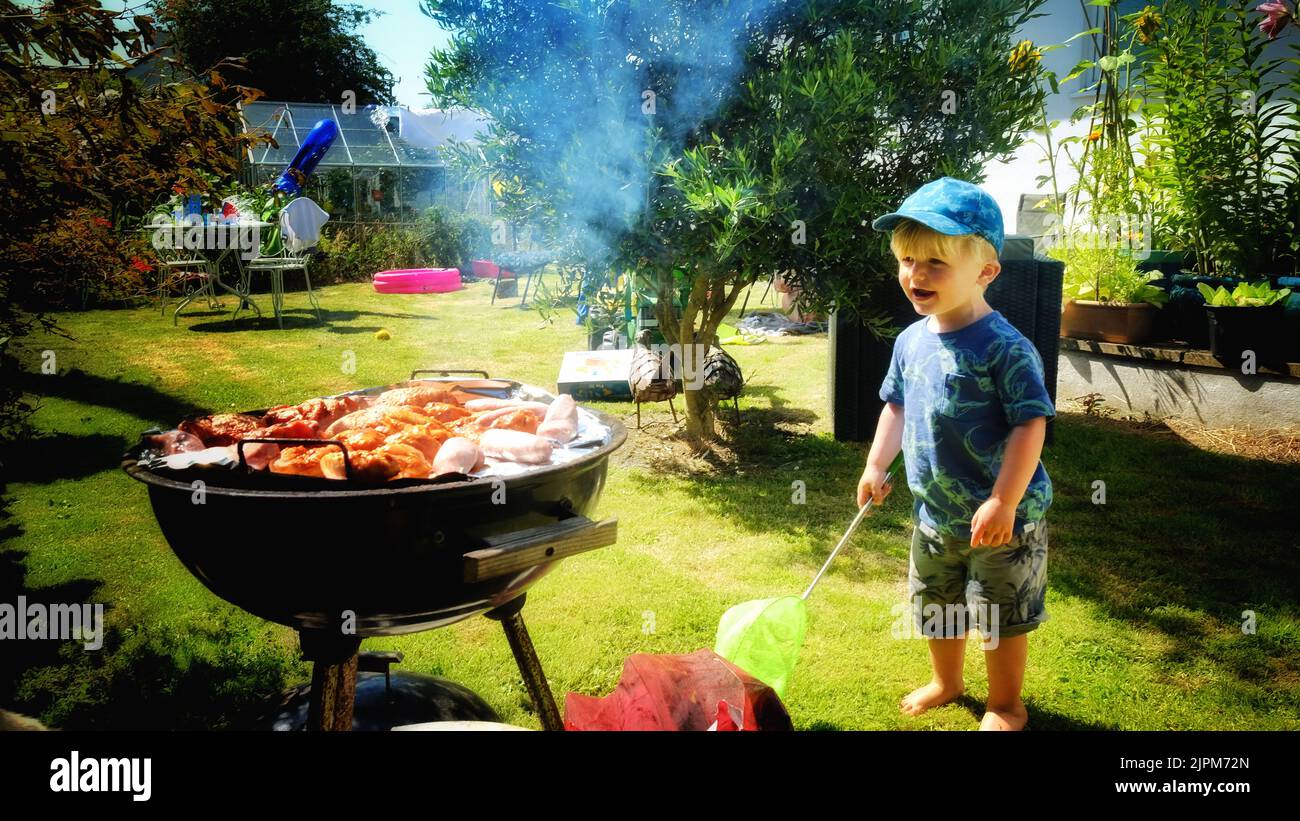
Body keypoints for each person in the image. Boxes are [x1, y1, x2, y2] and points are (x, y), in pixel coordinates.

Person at [857, 177, 1055, 731]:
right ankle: (948, 682)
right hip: (936, 514)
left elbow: (1029, 424)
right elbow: (895, 407)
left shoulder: (1006, 347)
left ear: (985, 271)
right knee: (937, 605)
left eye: (935, 263)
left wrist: (1004, 500)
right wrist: (876, 465)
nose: (916, 276)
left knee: (998, 617)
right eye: (906, 260)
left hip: (1003, 518)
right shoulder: (911, 340)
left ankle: (1006, 704)